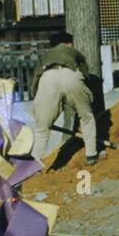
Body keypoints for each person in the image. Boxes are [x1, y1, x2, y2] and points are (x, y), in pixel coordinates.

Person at [31, 30, 99, 164]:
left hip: (48, 78)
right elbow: (85, 74)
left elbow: (36, 79)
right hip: (71, 75)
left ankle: (35, 163)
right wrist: (87, 97)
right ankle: (91, 155)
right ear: (69, 43)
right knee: (87, 118)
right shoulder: (74, 52)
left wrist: (38, 102)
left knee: (42, 127)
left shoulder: (46, 56)